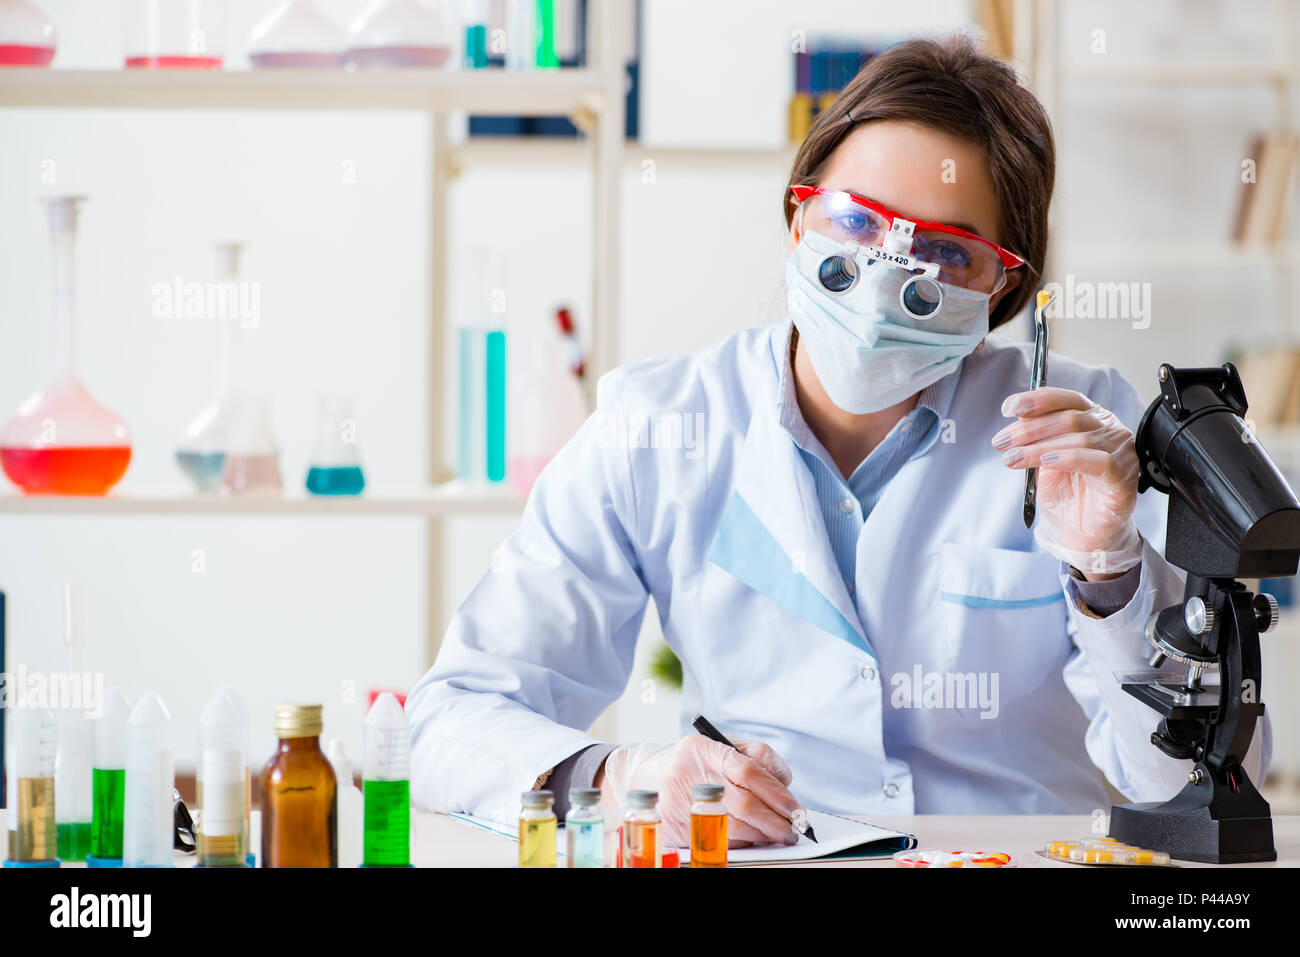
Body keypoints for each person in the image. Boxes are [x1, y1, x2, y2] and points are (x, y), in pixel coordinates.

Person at [405, 35, 1269, 848]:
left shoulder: (1088, 432)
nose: (891, 273)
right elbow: (452, 719)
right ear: (796, 216)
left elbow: (1203, 782)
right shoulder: (659, 428)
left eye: (945, 251)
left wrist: (1111, 578)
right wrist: (628, 776)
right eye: (857, 222)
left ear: (1004, 289)